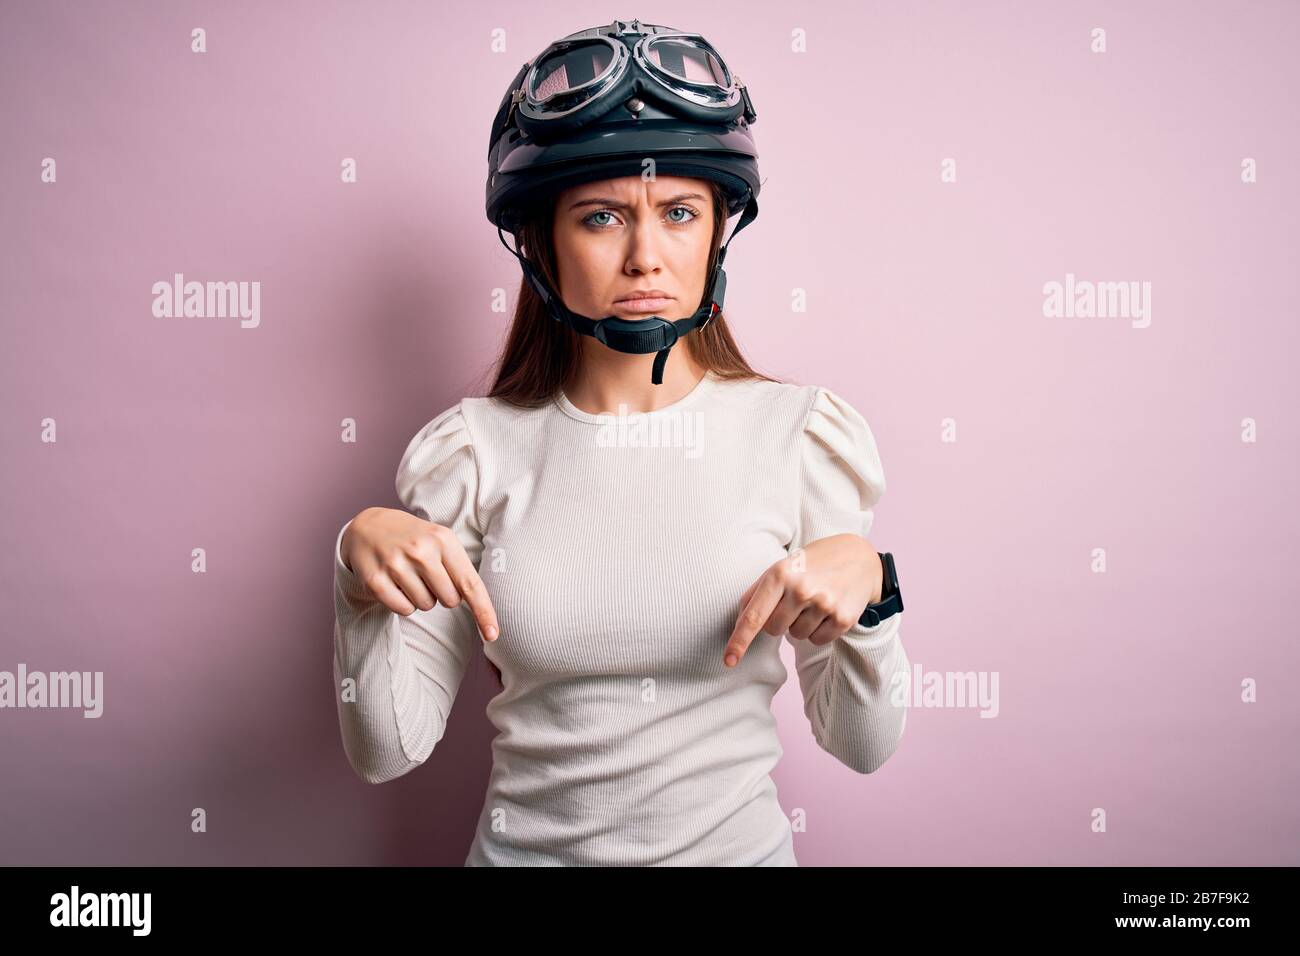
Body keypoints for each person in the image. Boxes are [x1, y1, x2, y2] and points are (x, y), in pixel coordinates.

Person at [332, 19, 909, 866]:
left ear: (717, 231)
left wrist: (872, 591)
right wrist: (355, 578)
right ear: (541, 244)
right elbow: (387, 751)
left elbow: (865, 744)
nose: (646, 256)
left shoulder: (799, 437)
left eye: (679, 212)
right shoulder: (471, 453)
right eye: (601, 217)